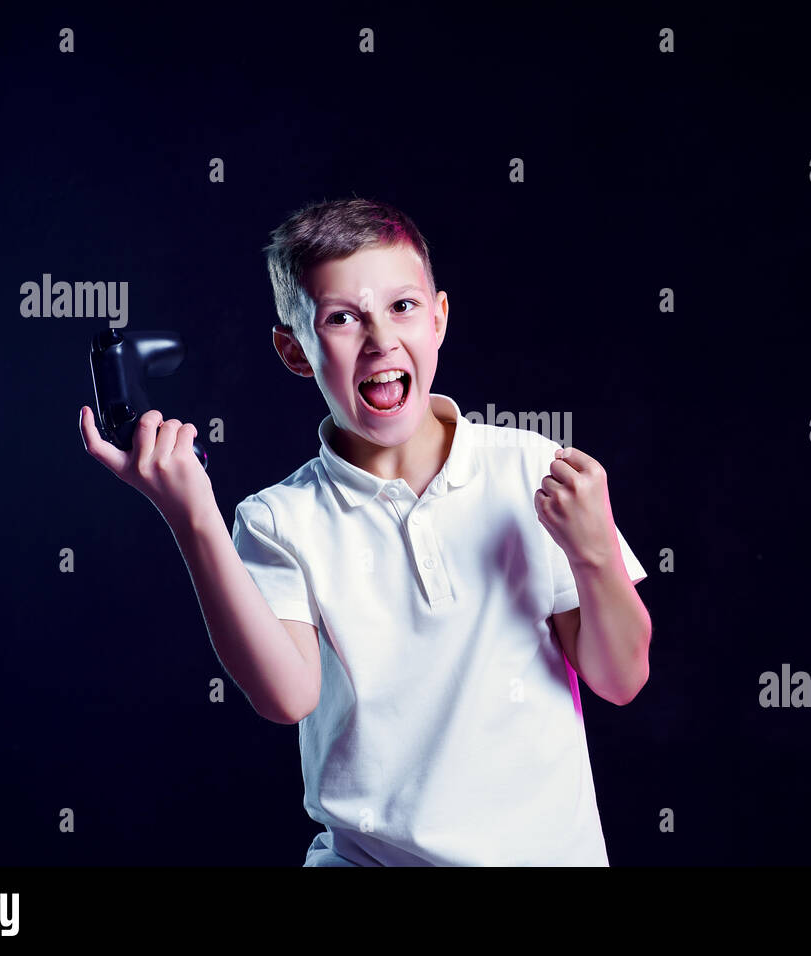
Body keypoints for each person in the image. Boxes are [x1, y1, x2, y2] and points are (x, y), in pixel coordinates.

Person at [79, 198, 652, 865]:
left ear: (439, 318)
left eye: (402, 307)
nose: (381, 339)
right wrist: (193, 517)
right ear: (294, 350)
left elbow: (621, 678)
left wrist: (593, 554)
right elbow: (286, 696)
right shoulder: (277, 520)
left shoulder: (529, 468)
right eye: (343, 318)